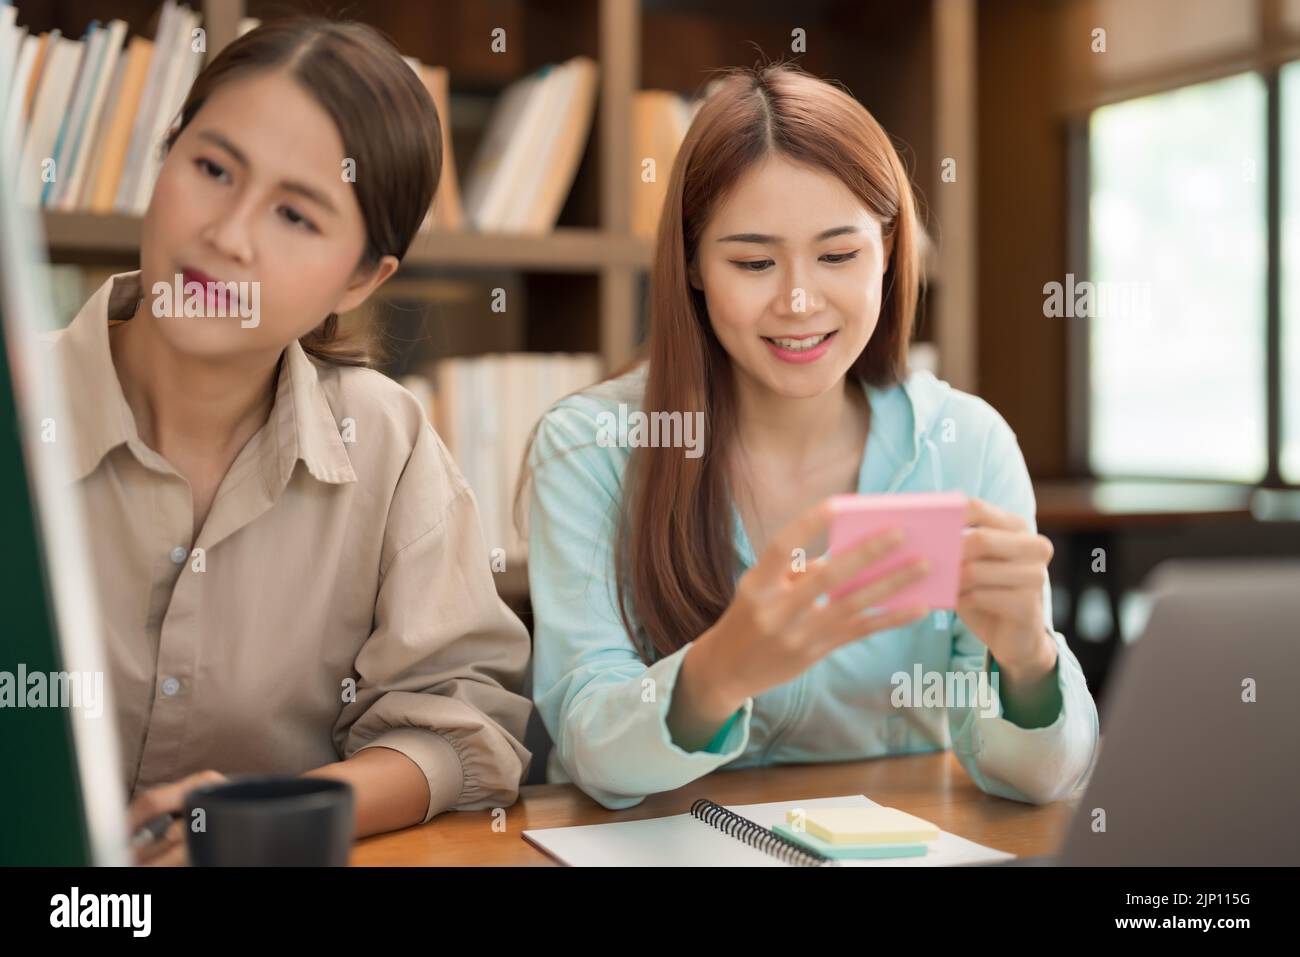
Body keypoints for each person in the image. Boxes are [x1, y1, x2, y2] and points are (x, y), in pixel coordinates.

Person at [525, 63, 1099, 810]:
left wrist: (1026, 659)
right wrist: (720, 671)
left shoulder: (966, 443)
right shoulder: (591, 445)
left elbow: (1037, 782)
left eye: (837, 256)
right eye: (754, 262)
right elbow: (588, 744)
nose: (798, 301)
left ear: (889, 250)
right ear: (692, 264)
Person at [44, 18, 532, 863]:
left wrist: (270, 814)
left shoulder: (388, 440)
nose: (228, 235)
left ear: (361, 277)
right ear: (163, 158)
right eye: (211, 169)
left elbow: (466, 725)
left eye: (296, 215)